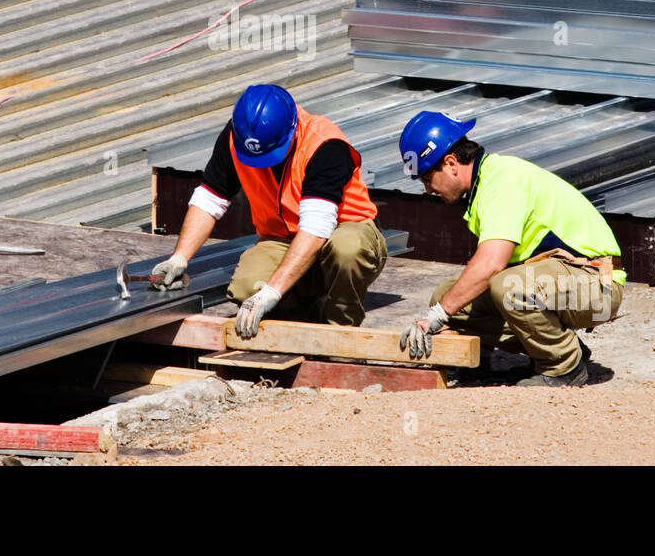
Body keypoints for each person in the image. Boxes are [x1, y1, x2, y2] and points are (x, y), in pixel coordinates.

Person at [396, 111, 625, 386]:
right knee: (447, 296)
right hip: (572, 283)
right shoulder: (486, 183)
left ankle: (564, 367)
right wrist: (443, 309)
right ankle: (556, 344)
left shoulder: (502, 181)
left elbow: (492, 263)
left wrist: (437, 317)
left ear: (451, 163)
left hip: (598, 287)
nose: (428, 191)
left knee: (508, 286)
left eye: (427, 180)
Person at [151, 84, 387, 338]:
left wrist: (272, 292)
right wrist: (179, 259)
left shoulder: (325, 145)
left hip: (341, 233)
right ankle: (308, 315)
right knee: (247, 288)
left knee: (347, 249)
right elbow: (209, 200)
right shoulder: (238, 137)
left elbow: (316, 229)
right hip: (283, 238)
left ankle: (341, 331)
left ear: (293, 129)